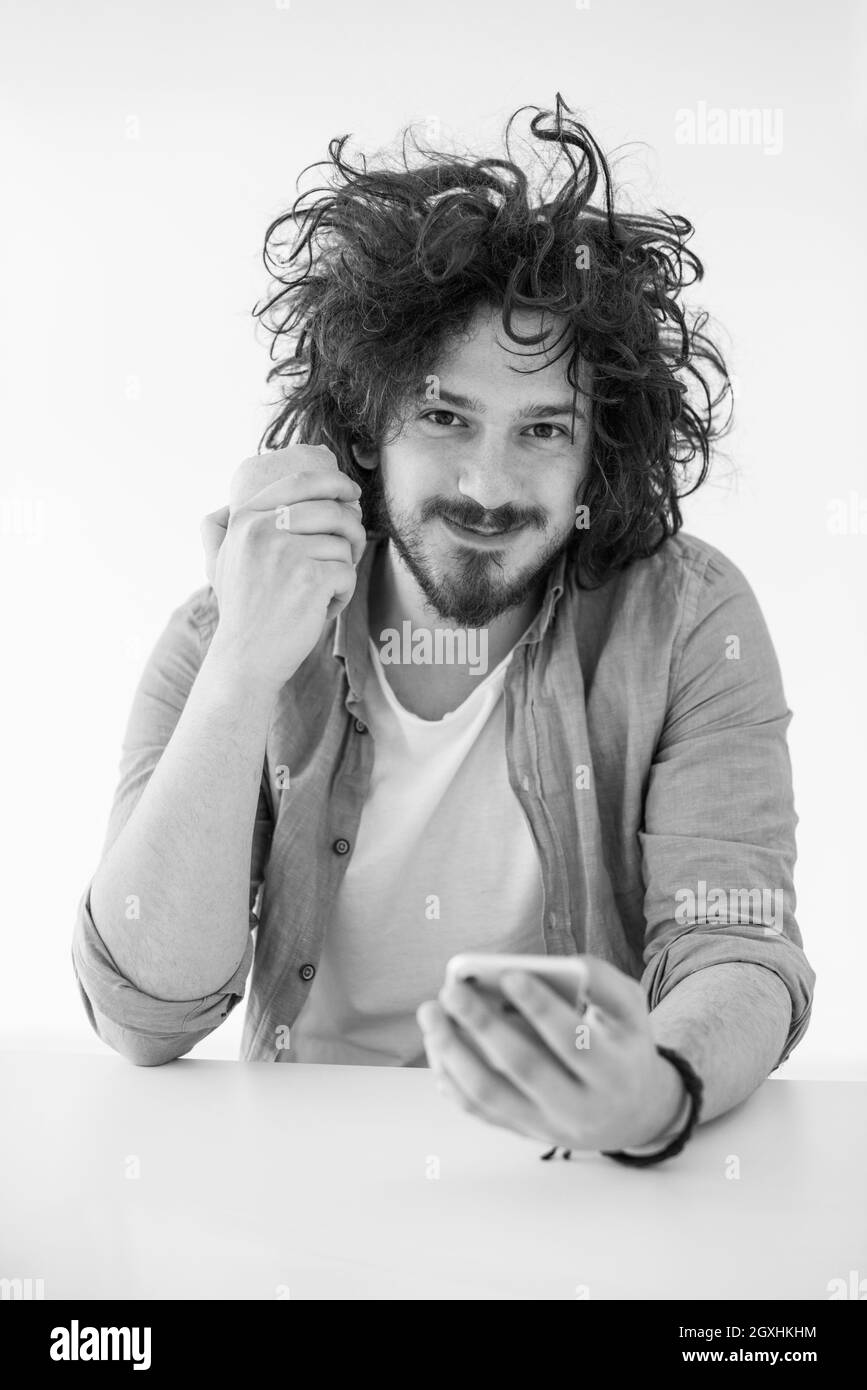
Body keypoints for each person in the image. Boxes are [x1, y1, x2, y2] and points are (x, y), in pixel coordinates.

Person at [72, 96, 815, 1162]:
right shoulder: (239, 617)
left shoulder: (689, 620)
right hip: (296, 1186)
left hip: (575, 1186)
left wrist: (651, 1094)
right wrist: (240, 669)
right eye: (443, 415)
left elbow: (737, 942)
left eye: (544, 430)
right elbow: (141, 1017)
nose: (488, 485)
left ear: (597, 453)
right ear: (366, 424)